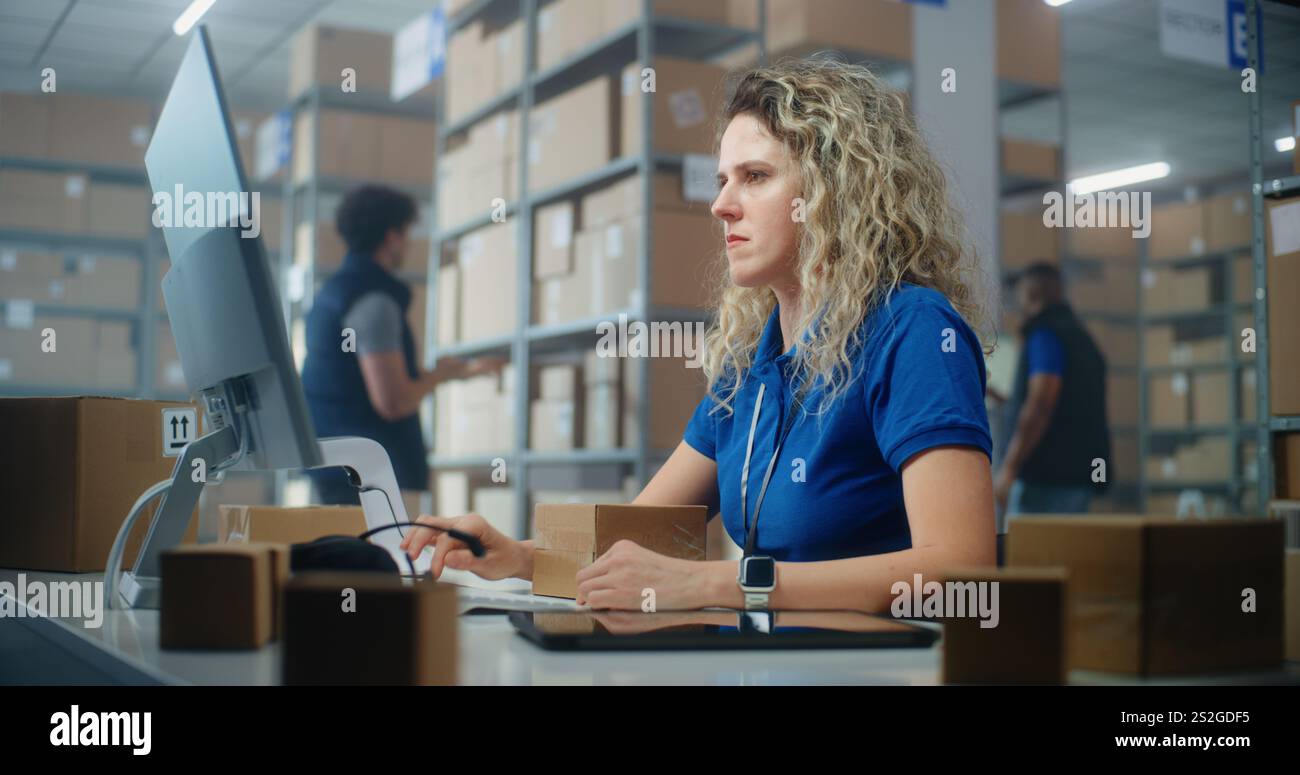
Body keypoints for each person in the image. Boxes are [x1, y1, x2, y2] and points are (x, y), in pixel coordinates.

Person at [403, 59, 996, 612]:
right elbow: (637, 537)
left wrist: (718, 581)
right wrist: (517, 557)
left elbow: (963, 570)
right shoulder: (749, 367)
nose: (720, 205)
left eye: (755, 177)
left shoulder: (912, 331)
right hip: (781, 661)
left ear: (831, 195)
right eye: (722, 180)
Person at [301, 185, 498, 505]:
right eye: (406, 233)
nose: (407, 243)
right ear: (391, 236)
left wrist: (453, 373)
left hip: (340, 469)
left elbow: (367, 382)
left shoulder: (333, 293)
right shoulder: (373, 301)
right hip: (363, 478)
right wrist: (439, 375)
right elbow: (393, 401)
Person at [994, 262, 1110, 516]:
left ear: (1033, 291)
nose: (1017, 300)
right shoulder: (1082, 337)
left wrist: (1009, 469)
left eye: (1021, 291)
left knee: (1031, 554)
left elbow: (1041, 403)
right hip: (1077, 476)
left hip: (1045, 482)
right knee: (1066, 552)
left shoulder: (1045, 334)